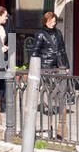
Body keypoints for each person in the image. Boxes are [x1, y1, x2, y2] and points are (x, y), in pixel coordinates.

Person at [30, 11, 71, 139]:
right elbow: (35, 52)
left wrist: (67, 65)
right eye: (51, 21)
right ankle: (51, 126)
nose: (53, 24)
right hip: (46, 68)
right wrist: (35, 68)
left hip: (58, 66)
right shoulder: (40, 34)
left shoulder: (58, 33)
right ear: (45, 21)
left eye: (54, 21)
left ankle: (60, 127)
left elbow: (63, 50)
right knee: (50, 95)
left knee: (61, 93)